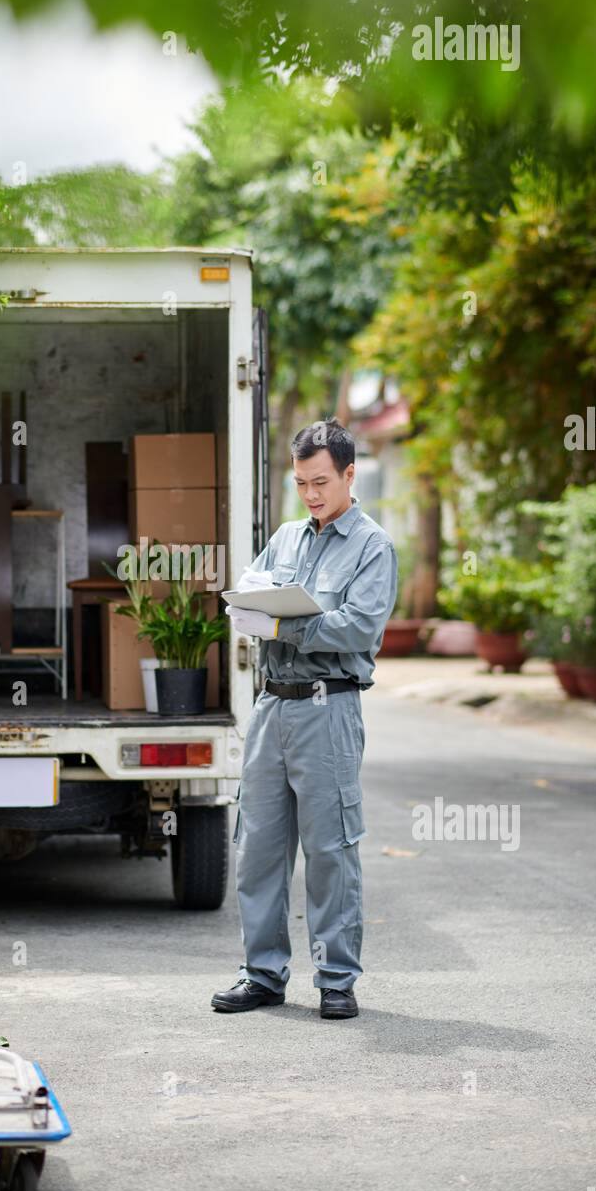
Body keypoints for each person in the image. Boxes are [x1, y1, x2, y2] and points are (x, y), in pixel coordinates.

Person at [212, 418, 397, 1019]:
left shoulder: (373, 547)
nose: (311, 494)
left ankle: (337, 979)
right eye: (300, 483)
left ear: (349, 474)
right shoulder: (287, 537)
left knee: (330, 850)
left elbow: (359, 626)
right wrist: (250, 610)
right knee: (258, 847)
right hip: (272, 706)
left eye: (321, 481)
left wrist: (284, 625)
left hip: (329, 708)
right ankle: (262, 974)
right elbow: (249, 589)